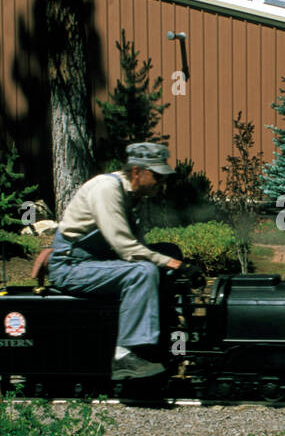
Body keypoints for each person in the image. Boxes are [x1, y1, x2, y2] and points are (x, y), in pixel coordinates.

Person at [48, 142, 184, 379]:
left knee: (169, 250)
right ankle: (125, 356)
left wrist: (170, 258)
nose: (162, 183)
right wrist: (170, 263)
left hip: (97, 261)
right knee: (143, 271)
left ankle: (167, 330)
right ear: (137, 172)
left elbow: (136, 245)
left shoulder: (134, 197)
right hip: (73, 266)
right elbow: (125, 247)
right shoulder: (106, 188)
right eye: (157, 176)